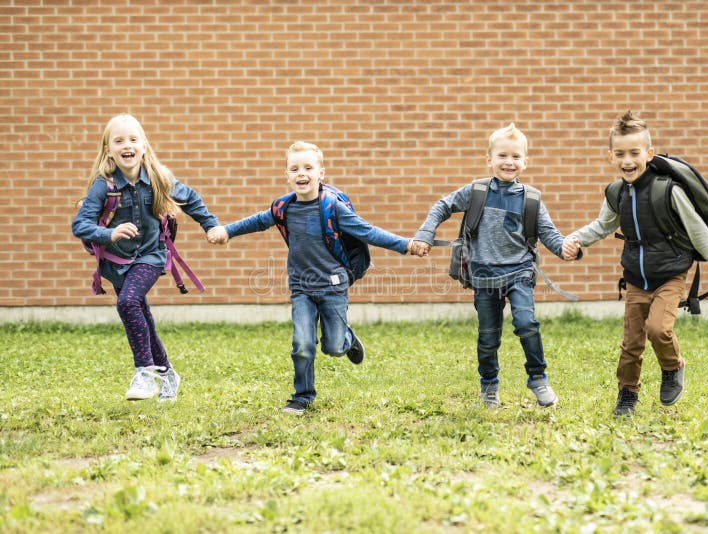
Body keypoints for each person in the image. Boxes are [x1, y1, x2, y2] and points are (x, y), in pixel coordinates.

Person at [207, 141, 426, 415]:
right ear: (287, 175)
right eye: (295, 168)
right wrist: (226, 231)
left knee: (333, 347)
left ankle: (346, 338)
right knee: (302, 344)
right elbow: (256, 222)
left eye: (308, 167)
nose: (302, 173)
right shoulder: (283, 208)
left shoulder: (332, 207)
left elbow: (368, 232)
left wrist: (406, 245)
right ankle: (303, 396)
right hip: (301, 288)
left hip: (333, 287)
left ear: (321, 173)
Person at [561, 111, 708, 416]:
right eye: (620, 153)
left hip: (671, 273)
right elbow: (602, 225)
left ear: (649, 154)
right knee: (631, 344)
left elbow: (695, 228)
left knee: (658, 329)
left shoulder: (667, 189)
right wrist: (575, 238)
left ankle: (672, 366)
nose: (627, 160)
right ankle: (627, 395)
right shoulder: (616, 192)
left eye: (634, 153)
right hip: (636, 277)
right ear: (611, 155)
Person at [411, 123, 575, 409]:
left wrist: (565, 248)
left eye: (515, 156)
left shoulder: (531, 198)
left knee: (527, 324)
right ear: (489, 160)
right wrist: (425, 234)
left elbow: (548, 233)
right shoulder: (477, 191)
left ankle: (538, 378)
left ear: (525, 161)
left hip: (519, 272)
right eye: (502, 156)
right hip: (484, 275)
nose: (509, 162)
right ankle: (489, 386)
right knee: (488, 336)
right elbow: (442, 206)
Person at [72, 114, 220, 402]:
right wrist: (110, 233)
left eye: (132, 139)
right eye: (119, 141)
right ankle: (167, 375)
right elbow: (80, 224)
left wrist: (211, 225)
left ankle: (144, 373)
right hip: (116, 263)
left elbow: (191, 199)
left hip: (151, 256)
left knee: (127, 302)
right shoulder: (104, 185)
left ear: (143, 145)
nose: (126, 145)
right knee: (142, 318)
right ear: (108, 150)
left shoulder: (158, 177)